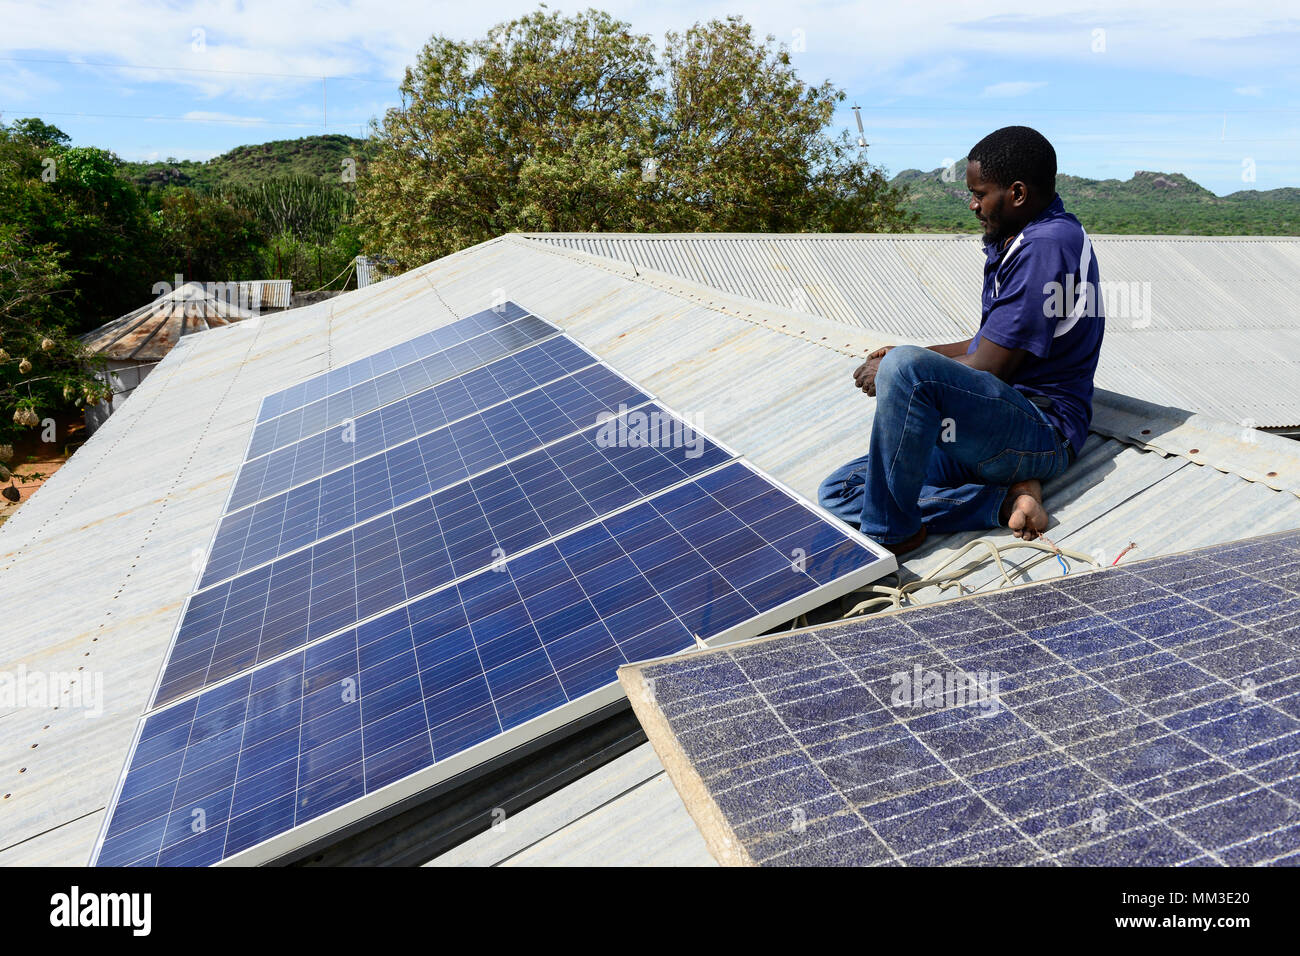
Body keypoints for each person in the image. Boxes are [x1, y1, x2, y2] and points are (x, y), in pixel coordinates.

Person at [819, 126, 1104, 556]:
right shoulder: (1025, 236)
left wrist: (903, 370)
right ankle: (1006, 499)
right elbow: (986, 342)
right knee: (841, 490)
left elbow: (991, 366)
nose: (972, 205)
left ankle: (892, 535)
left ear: (1018, 193)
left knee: (905, 373)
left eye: (979, 194)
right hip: (990, 426)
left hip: (1040, 430)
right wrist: (906, 354)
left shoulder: (1046, 246)